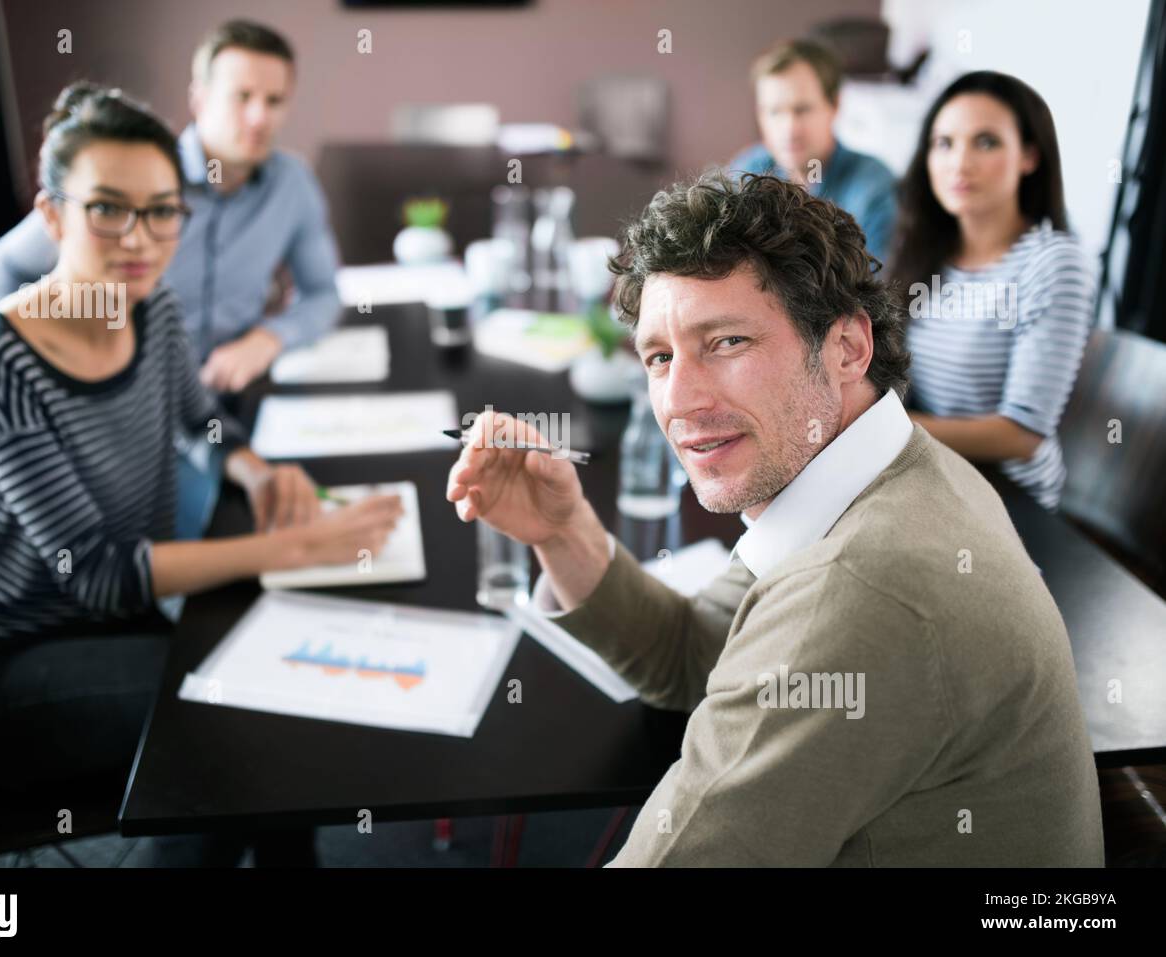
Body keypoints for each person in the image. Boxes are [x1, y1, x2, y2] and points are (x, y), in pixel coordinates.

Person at [445, 170, 1103, 866]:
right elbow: (695, 654)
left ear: (848, 347)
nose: (681, 399)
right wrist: (561, 528)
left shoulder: (855, 590)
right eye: (660, 357)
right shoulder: (886, 468)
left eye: (727, 342)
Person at [0, 84, 402, 862]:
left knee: (284, 678)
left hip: (128, 619)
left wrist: (251, 468)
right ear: (52, 217)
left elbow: (198, 421)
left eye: (163, 210)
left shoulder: (150, 310)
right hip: (8, 668)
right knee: (247, 709)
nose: (139, 238)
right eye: (108, 208)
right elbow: (103, 574)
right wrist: (300, 546)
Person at [0, 18, 340, 393]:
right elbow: (1, 268)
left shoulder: (293, 183)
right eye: (242, 96)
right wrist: (39, 373)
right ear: (199, 99)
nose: (259, 117)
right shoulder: (135, 177)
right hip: (128, 396)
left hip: (228, 392)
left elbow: (323, 292)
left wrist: (269, 338)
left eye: (274, 100)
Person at [889, 71, 1095, 512]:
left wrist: (884, 429)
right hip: (931, 470)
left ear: (1030, 156)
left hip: (1009, 498)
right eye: (944, 143)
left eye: (986, 142)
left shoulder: (1054, 262)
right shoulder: (927, 252)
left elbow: (1021, 435)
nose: (959, 163)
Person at [729, 38, 897, 263]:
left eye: (803, 109)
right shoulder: (747, 170)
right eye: (774, 111)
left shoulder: (873, 186)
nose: (789, 129)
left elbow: (873, 287)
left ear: (835, 106)